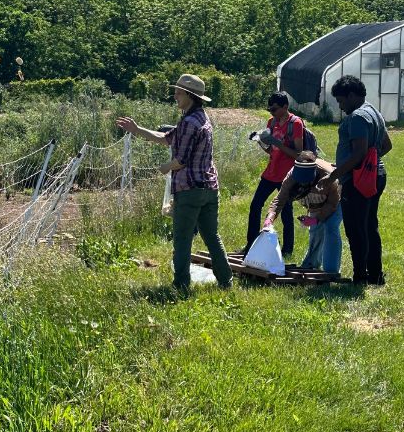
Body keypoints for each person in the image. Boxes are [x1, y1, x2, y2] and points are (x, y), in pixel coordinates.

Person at [117, 73, 231, 296]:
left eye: (178, 93)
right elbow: (166, 138)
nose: (175, 96)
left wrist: (165, 167)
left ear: (190, 95)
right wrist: (138, 129)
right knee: (211, 236)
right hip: (209, 187)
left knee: (182, 239)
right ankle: (226, 281)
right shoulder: (200, 118)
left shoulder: (189, 122)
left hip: (190, 190)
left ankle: (180, 286)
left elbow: (182, 160)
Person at [331, 75, 394, 285]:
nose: (341, 106)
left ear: (351, 95)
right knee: (369, 226)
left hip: (358, 182)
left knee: (356, 229)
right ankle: (375, 275)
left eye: (341, 100)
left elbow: (358, 153)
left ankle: (360, 277)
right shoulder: (374, 112)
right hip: (377, 176)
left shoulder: (358, 116)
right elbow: (386, 145)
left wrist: (334, 175)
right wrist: (372, 163)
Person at [246, 92, 310, 259]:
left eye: (274, 109)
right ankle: (250, 244)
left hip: (287, 177)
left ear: (285, 107)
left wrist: (277, 143)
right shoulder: (271, 122)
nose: (271, 112)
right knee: (255, 206)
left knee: (286, 212)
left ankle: (287, 250)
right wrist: (259, 140)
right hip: (270, 173)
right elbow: (270, 150)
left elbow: (299, 154)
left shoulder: (295, 124)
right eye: (269, 109)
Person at [263, 150, 343, 276]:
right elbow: (279, 200)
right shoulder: (290, 178)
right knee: (315, 232)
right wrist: (269, 219)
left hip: (338, 201)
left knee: (330, 227)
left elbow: (332, 203)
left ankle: (331, 272)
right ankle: (311, 265)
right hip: (315, 205)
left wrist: (317, 219)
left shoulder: (327, 178)